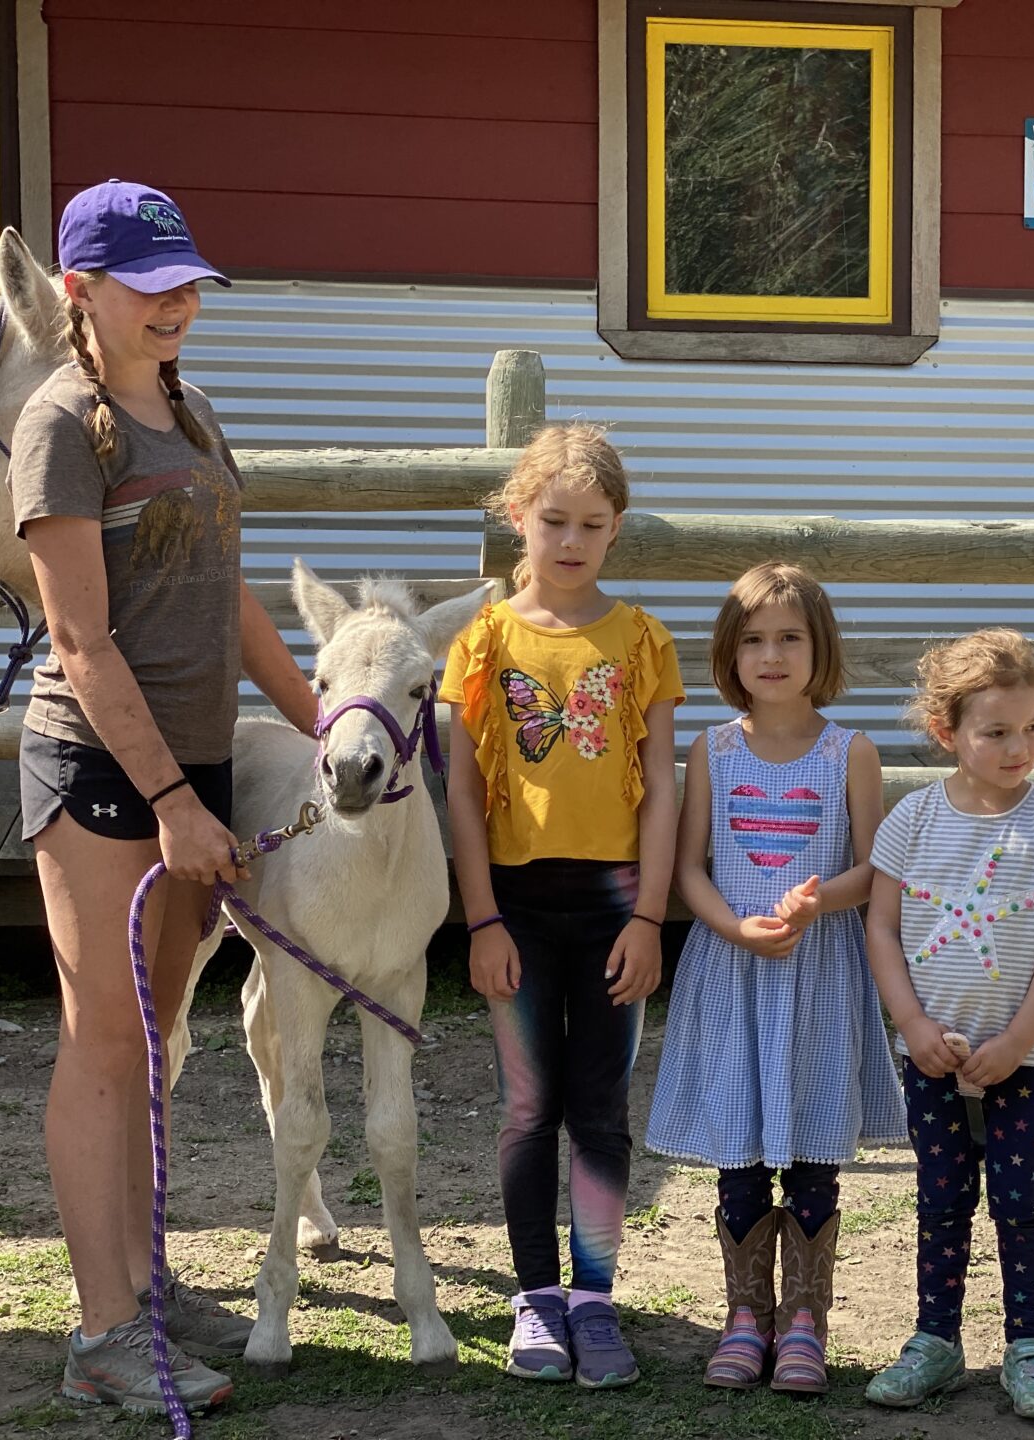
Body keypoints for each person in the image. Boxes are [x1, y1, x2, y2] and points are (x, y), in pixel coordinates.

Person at [11, 180, 318, 1415]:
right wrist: (173, 805)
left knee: (153, 1046)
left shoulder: (193, 417)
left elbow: (235, 600)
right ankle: (102, 1336)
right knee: (107, 1043)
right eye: (154, 286)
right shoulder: (57, 427)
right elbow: (81, 642)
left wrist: (332, 723)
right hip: (99, 770)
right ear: (82, 292)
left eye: (189, 283)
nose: (180, 304)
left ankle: (140, 1284)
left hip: (190, 766)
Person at [440, 424, 682, 1390]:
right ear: (517, 519)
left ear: (617, 529)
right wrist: (481, 919)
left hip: (618, 902)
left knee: (602, 1110)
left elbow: (661, 787)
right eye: (553, 521)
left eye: (591, 524)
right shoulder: (484, 640)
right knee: (530, 1107)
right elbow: (461, 791)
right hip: (518, 907)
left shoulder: (642, 640)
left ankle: (595, 1301)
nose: (571, 540)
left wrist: (651, 918)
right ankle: (535, 1301)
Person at [646, 562, 907, 1394]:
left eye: (789, 637)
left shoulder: (850, 753)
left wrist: (814, 901)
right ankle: (743, 1317)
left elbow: (874, 869)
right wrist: (734, 926)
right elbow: (690, 867)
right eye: (753, 639)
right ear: (731, 653)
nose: (771, 655)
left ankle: (804, 1321)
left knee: (811, 1147)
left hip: (821, 971)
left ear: (818, 648)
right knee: (741, 1146)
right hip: (734, 971)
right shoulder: (713, 749)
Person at [862, 629, 1034, 1420]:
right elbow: (882, 929)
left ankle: (1027, 1347)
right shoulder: (911, 820)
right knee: (940, 1195)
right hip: (930, 1052)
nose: (1018, 747)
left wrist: (1017, 1043)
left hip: (1022, 1058)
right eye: (996, 732)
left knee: (1020, 1198)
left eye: (1031, 729)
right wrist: (913, 1024)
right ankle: (936, 1340)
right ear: (948, 734)